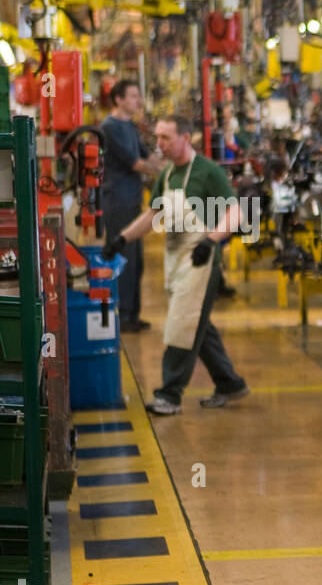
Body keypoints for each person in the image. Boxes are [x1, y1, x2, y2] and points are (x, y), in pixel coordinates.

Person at [102, 115, 250, 416]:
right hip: (176, 259)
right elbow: (154, 214)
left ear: (186, 138)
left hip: (201, 260)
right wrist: (122, 238)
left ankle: (169, 395)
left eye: (166, 138)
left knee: (182, 323)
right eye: (157, 137)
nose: (159, 144)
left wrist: (211, 241)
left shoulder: (208, 172)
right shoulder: (168, 175)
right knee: (197, 323)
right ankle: (230, 383)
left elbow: (235, 213)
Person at [100, 80, 160, 332]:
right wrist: (165, 170)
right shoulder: (109, 127)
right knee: (124, 258)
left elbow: (147, 155)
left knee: (136, 260)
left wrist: (162, 161)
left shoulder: (129, 125)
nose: (139, 100)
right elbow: (135, 162)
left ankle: (132, 314)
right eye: (134, 95)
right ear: (118, 99)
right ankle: (122, 316)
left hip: (133, 200)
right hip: (117, 201)